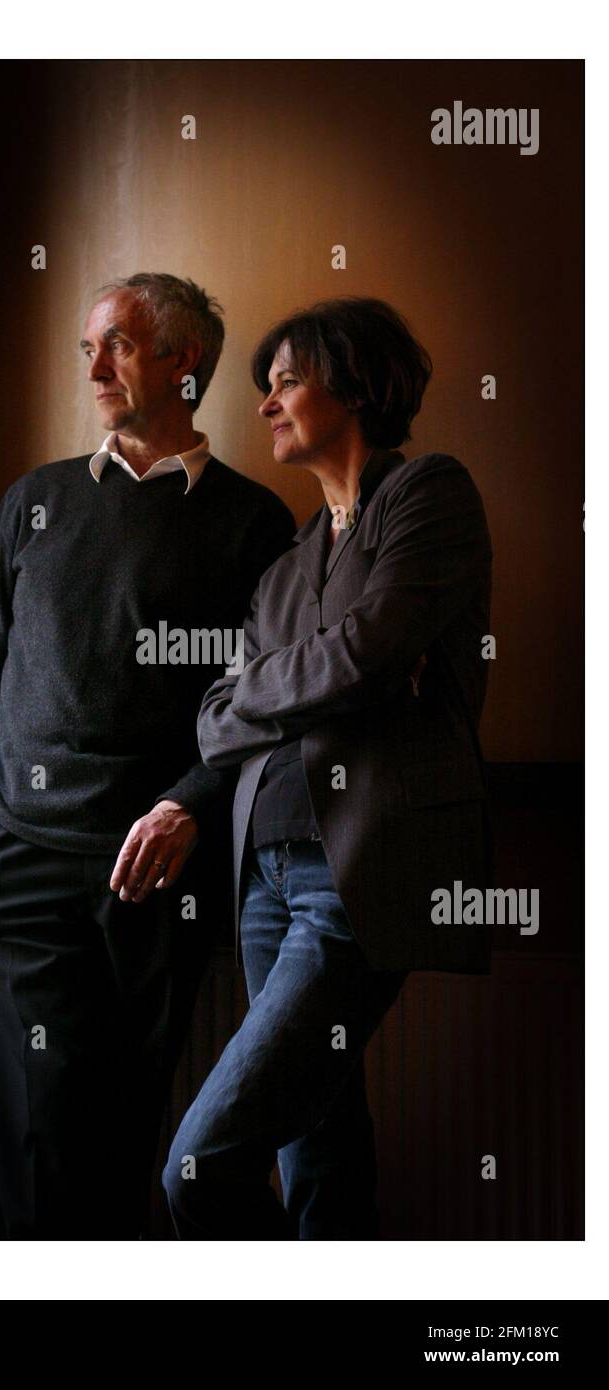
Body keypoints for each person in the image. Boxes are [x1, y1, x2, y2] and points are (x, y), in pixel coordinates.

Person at [0, 272, 295, 1238]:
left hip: (154, 880)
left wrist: (186, 803)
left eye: (119, 344)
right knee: (37, 1132)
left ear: (184, 362)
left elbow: (259, 703)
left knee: (122, 1135)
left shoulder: (254, 524)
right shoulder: (36, 502)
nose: (93, 365)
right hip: (16, 861)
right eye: (89, 346)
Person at [162, 296, 493, 1239]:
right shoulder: (285, 566)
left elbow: (369, 651)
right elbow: (217, 720)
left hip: (356, 872)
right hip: (260, 880)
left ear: (351, 383)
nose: (265, 404)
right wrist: (323, 677)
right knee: (320, 1148)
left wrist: (292, 681)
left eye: (286, 382)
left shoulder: (429, 492)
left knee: (199, 1166)